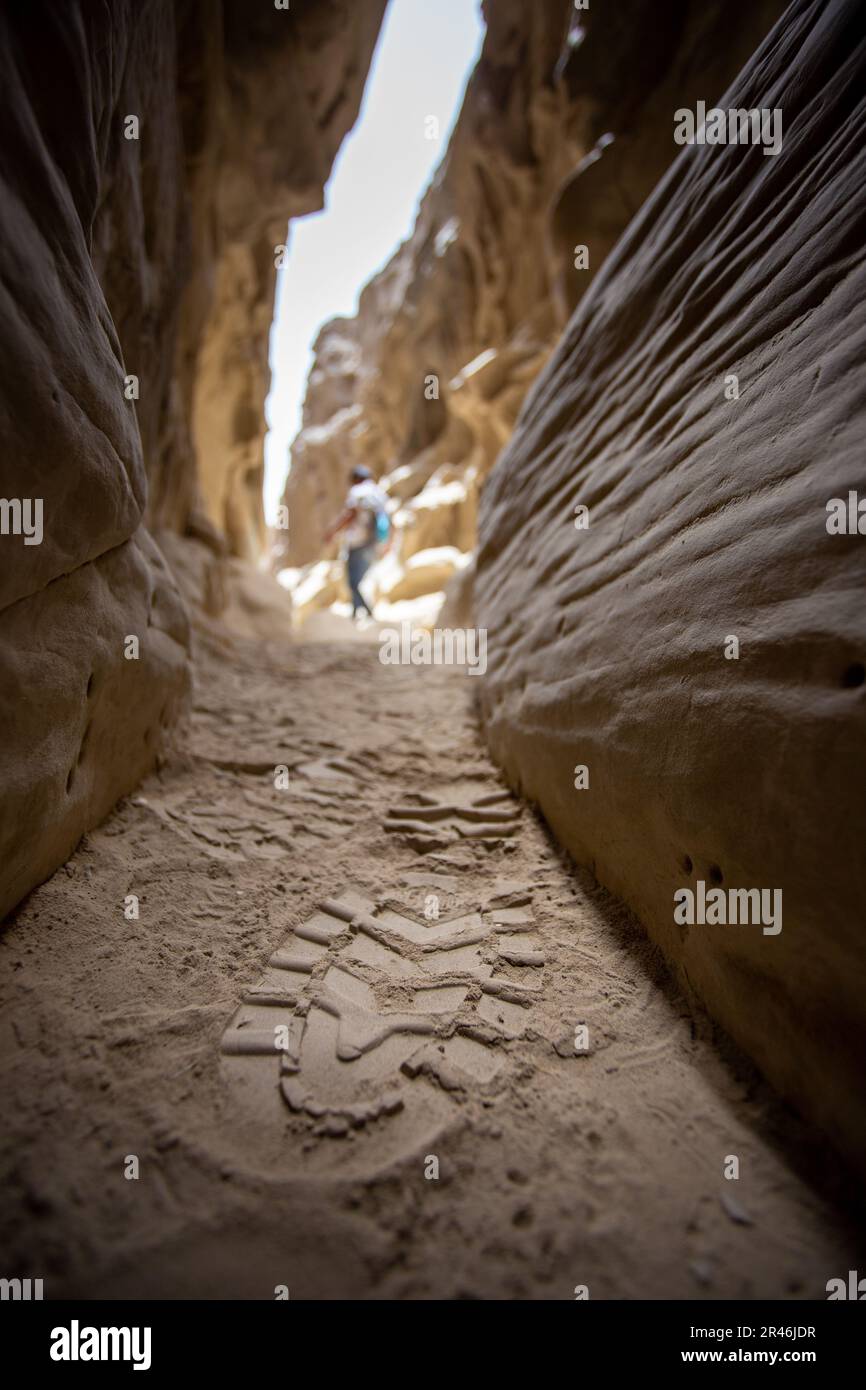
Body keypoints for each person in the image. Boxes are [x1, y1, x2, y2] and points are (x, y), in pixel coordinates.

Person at [324, 466, 390, 622]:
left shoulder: (358, 491)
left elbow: (351, 514)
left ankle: (367, 613)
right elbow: (388, 519)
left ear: (355, 479)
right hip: (374, 542)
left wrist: (333, 531)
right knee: (357, 579)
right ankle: (355, 614)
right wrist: (387, 542)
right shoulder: (379, 493)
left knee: (353, 581)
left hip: (357, 541)